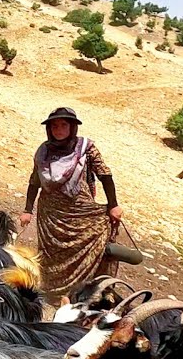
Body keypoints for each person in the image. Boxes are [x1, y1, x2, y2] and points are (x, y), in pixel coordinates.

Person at [19, 107, 123, 303]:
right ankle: (52, 295)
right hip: (50, 215)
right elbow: (35, 182)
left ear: (72, 127)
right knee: (52, 255)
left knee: (88, 246)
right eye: (54, 126)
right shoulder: (43, 152)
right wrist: (27, 210)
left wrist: (113, 205)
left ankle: (82, 292)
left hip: (80, 211)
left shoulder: (86, 148)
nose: (58, 129)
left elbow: (105, 175)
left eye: (63, 125)